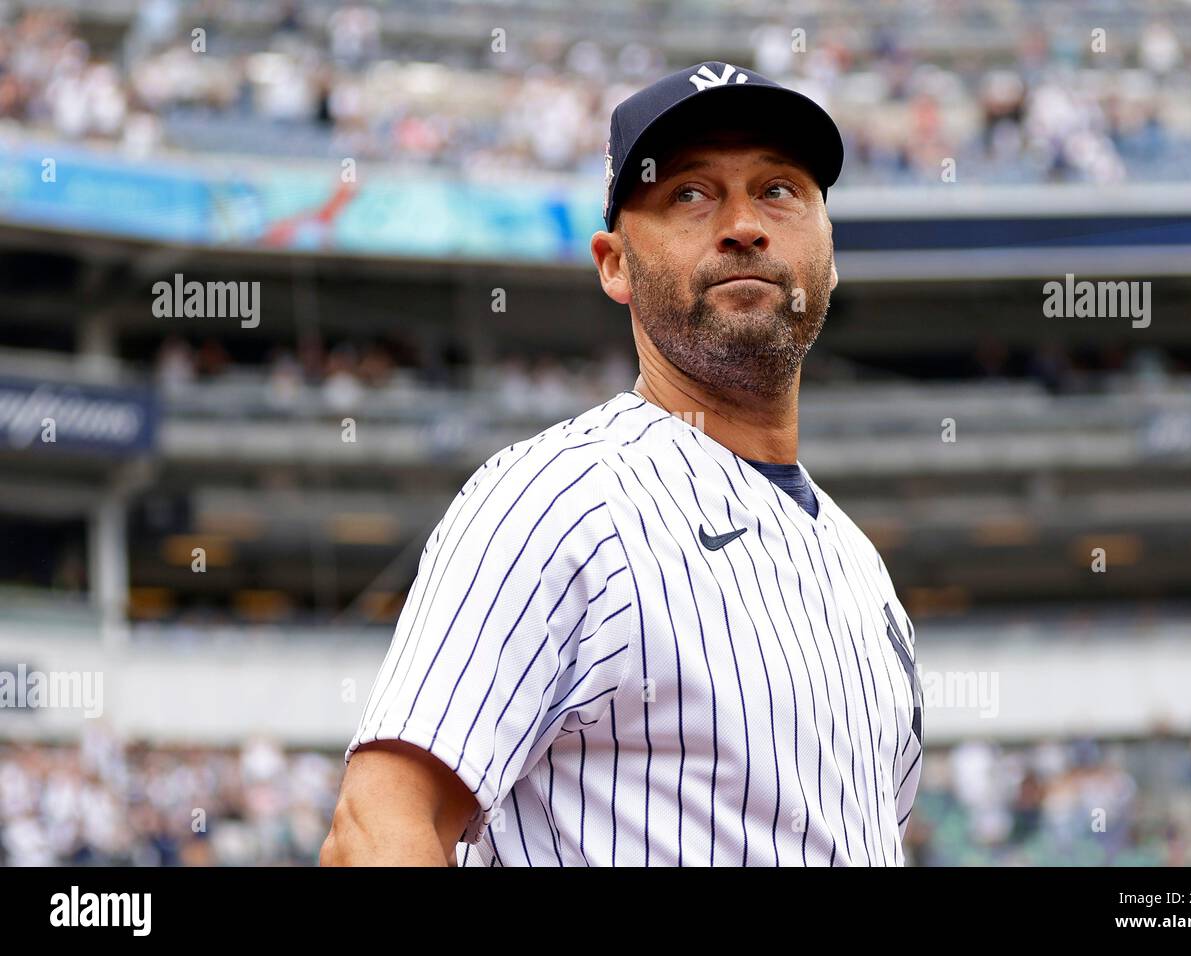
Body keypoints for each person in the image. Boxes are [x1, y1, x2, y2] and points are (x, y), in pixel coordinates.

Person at [322, 61, 922, 867]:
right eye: (689, 193)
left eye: (779, 190)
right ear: (614, 263)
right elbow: (379, 831)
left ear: (830, 252)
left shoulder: (860, 567)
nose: (744, 224)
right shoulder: (559, 498)